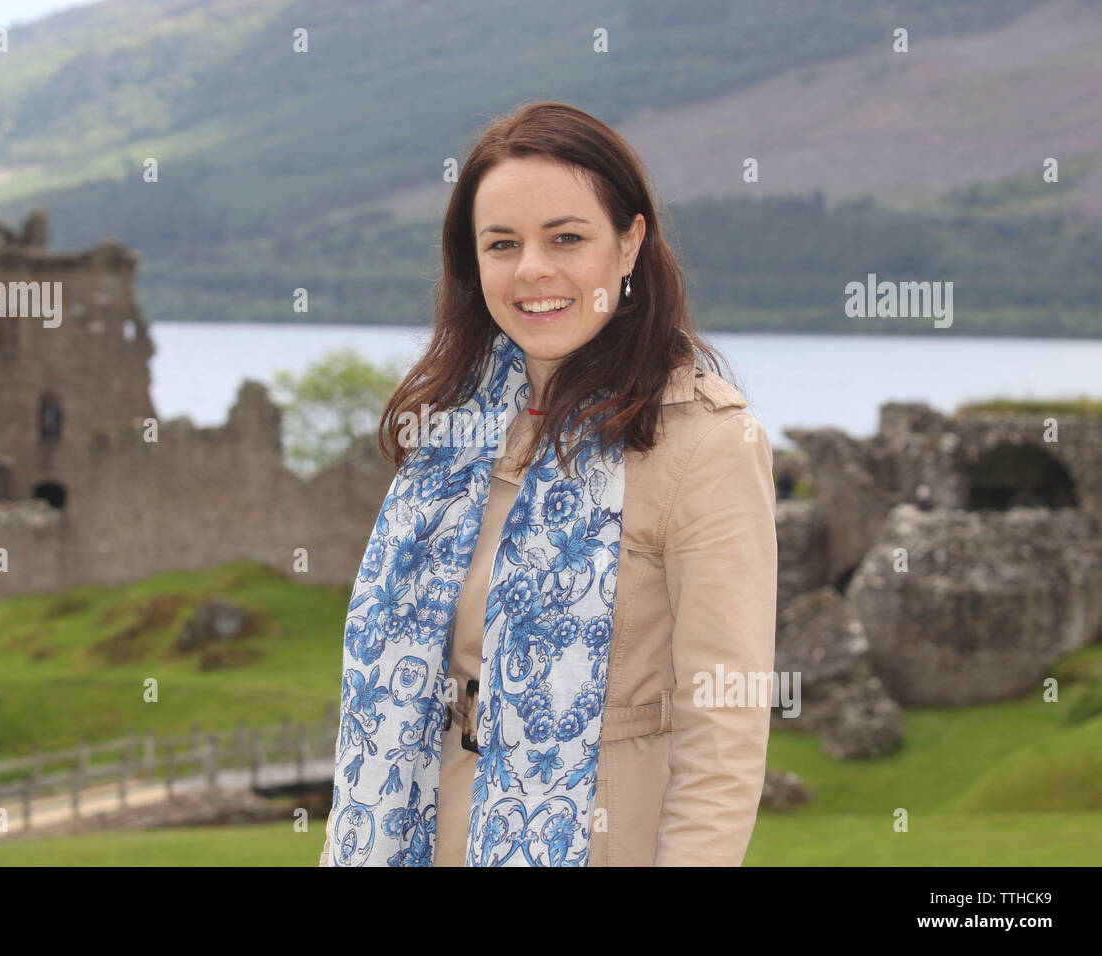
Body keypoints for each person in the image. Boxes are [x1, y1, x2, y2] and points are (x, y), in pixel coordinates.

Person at [321, 100, 778, 866]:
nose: (533, 270)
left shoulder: (704, 441)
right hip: (418, 833)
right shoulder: (451, 434)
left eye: (567, 237)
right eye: (503, 244)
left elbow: (724, 730)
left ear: (630, 243)